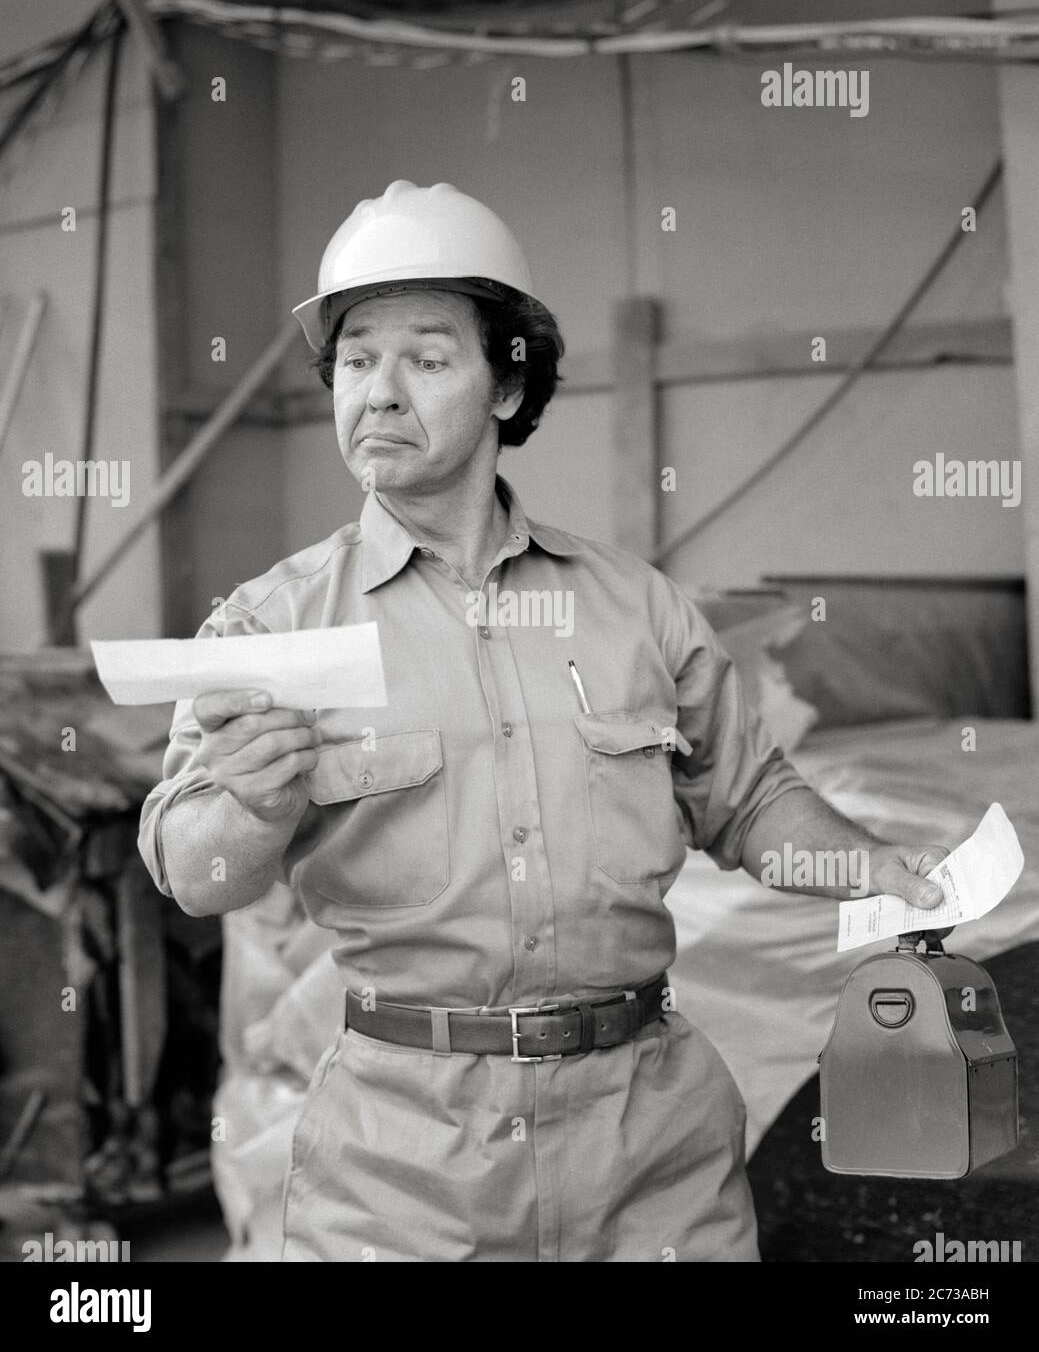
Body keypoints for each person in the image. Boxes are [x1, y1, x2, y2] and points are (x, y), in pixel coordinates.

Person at [138, 179, 949, 1262]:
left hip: (648, 1148)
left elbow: (750, 802)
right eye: (354, 359)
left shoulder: (635, 607)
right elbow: (195, 872)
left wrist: (875, 872)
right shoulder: (270, 627)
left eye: (425, 359)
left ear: (510, 388)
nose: (376, 392)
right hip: (402, 1170)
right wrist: (246, 802)